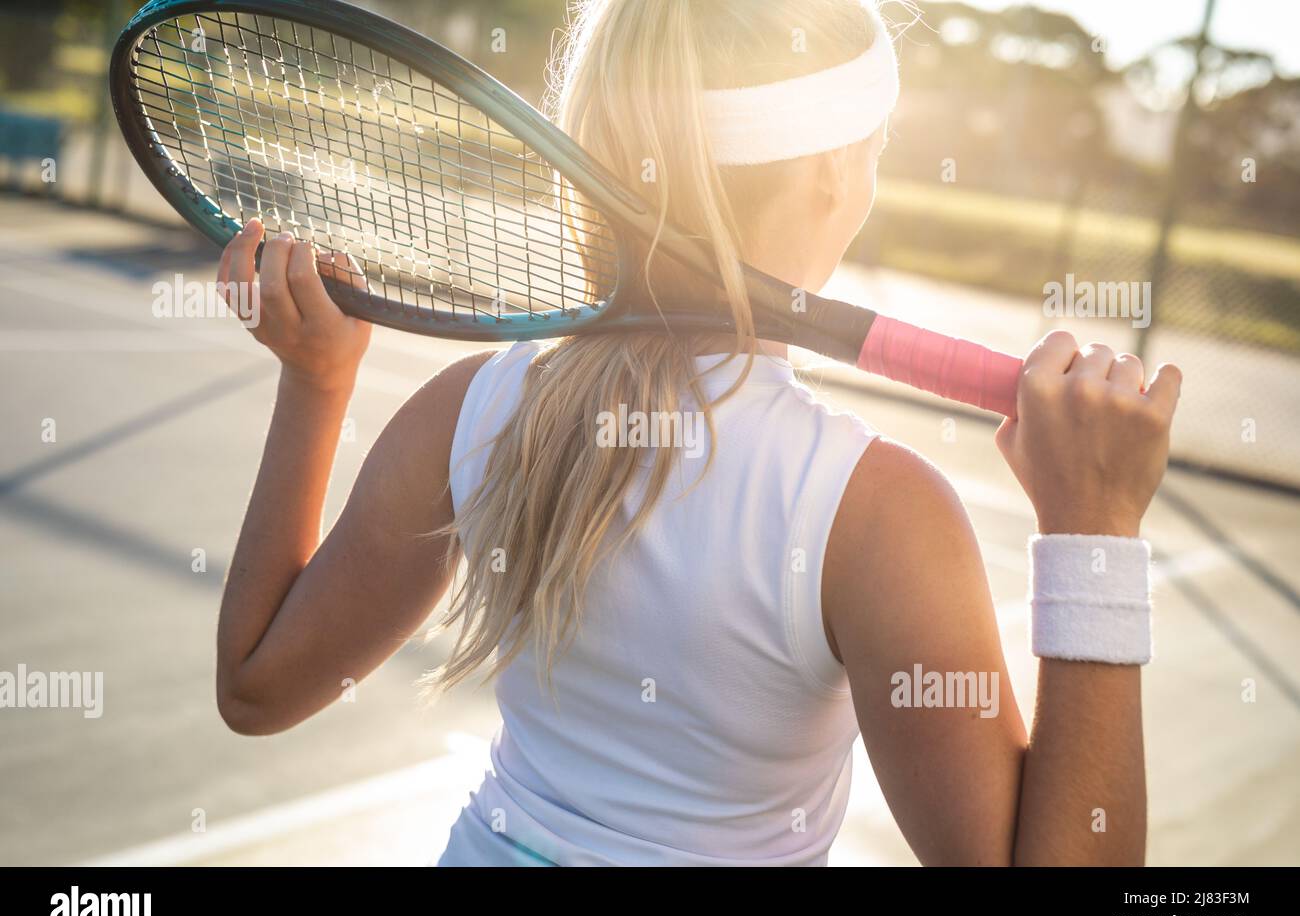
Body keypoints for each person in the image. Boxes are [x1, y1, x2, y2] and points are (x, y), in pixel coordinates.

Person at [212, 0, 1181, 866]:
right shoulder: (876, 515)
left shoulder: (474, 407)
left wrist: (315, 379)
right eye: (876, 150)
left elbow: (257, 686)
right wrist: (1094, 530)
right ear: (832, 177)